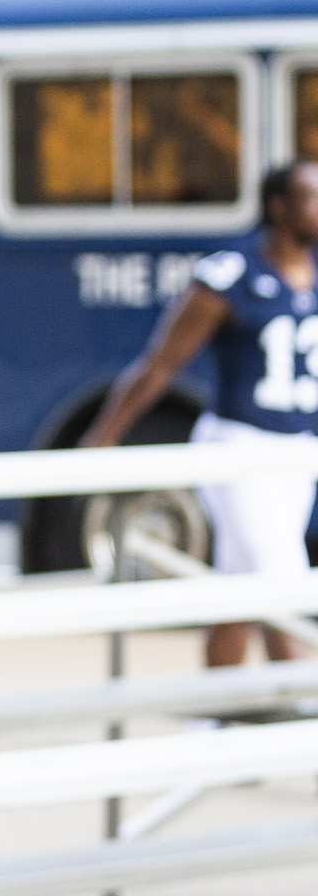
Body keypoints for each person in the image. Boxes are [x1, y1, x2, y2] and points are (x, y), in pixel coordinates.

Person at [85, 158, 318, 666]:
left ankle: (217, 700)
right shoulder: (232, 275)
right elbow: (161, 364)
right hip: (240, 448)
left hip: (298, 452)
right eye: (312, 197)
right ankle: (300, 700)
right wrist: (102, 437)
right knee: (283, 583)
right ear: (279, 207)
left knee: (239, 589)